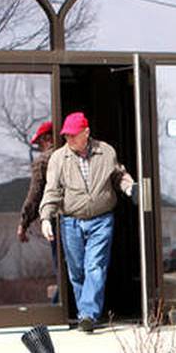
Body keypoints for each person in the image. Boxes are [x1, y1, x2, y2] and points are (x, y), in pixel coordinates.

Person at [39, 112, 134, 332]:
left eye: (73, 135)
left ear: (86, 133)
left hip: (101, 219)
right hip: (71, 221)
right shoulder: (58, 158)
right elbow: (52, 190)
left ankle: (88, 314)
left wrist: (129, 186)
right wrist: (46, 218)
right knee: (77, 271)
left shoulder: (106, 152)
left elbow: (118, 175)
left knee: (95, 266)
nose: (69, 140)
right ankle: (85, 313)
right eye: (66, 136)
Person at [17, 120, 59, 303]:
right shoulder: (73, 156)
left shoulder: (43, 161)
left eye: (40, 143)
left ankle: (56, 307)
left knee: (62, 270)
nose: (39, 148)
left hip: (57, 220)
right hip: (82, 217)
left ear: (48, 138)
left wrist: (23, 224)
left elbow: (35, 195)